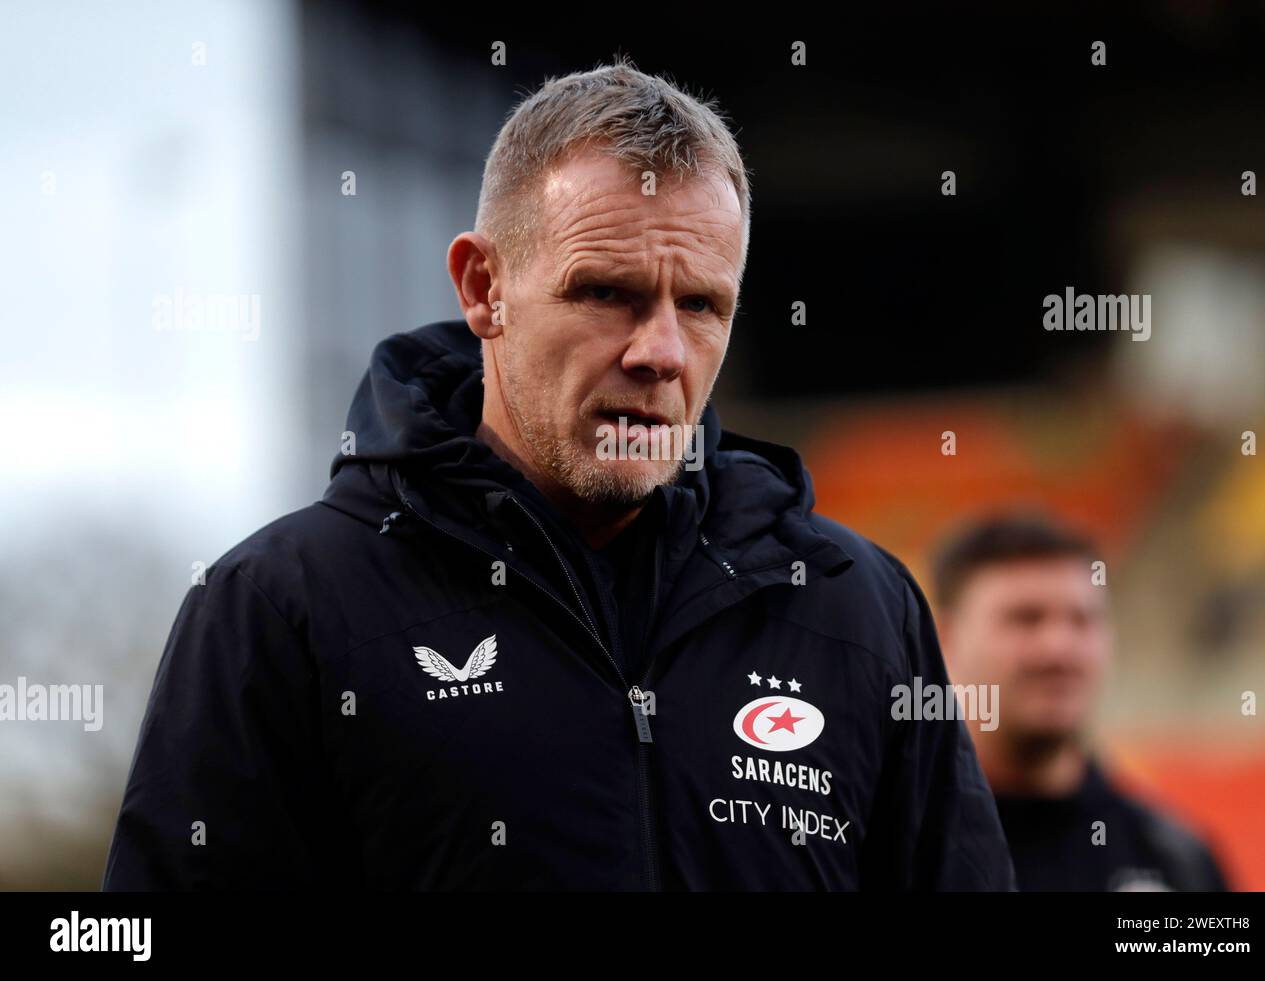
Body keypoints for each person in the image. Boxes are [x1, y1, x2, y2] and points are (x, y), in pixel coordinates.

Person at [102, 58, 1013, 891]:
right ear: (482, 288)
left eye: (700, 304)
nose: (660, 352)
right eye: (606, 292)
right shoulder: (278, 608)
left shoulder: (856, 606)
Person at [931, 514, 1230, 891]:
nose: (1059, 647)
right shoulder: (881, 846)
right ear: (945, 639)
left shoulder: (1175, 860)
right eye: (1025, 619)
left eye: (1083, 620)